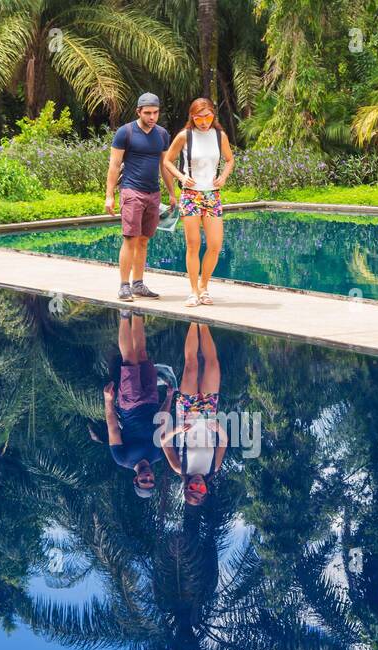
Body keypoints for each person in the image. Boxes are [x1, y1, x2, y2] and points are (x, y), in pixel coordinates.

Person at [163, 98, 235, 307]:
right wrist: (181, 177)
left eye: (208, 117)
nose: (204, 122)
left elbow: (230, 159)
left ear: (213, 116)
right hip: (191, 195)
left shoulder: (220, 136)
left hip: (212, 195)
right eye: (198, 118)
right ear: (192, 117)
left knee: (215, 245)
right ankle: (193, 291)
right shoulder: (185, 136)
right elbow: (168, 160)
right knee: (193, 244)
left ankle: (204, 286)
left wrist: (223, 177)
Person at [105, 93, 176, 302]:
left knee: (144, 240)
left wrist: (172, 193)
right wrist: (109, 196)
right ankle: (124, 286)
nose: (152, 117)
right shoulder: (125, 132)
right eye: (148, 113)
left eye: (155, 112)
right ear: (138, 111)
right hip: (131, 191)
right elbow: (114, 165)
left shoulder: (162, 134)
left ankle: (138, 283)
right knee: (130, 238)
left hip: (153, 193)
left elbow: (165, 166)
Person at [160, 322, 226, 505]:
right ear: (206, 488)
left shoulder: (179, 467)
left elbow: (163, 442)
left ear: (186, 487)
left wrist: (177, 430)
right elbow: (224, 442)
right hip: (208, 412)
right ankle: (203, 324)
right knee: (213, 364)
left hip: (187, 412)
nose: (197, 485)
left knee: (191, 365)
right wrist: (218, 428)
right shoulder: (214, 467)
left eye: (193, 489)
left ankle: (192, 321)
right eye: (201, 490)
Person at [104, 310, 167, 497]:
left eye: (143, 481)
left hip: (130, 405)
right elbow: (161, 423)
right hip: (152, 400)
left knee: (129, 359)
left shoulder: (122, 459)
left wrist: (108, 401)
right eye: (151, 481)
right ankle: (138, 312)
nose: (148, 477)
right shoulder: (158, 454)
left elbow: (113, 429)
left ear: (136, 480)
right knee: (141, 354)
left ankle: (124, 315)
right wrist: (169, 396)